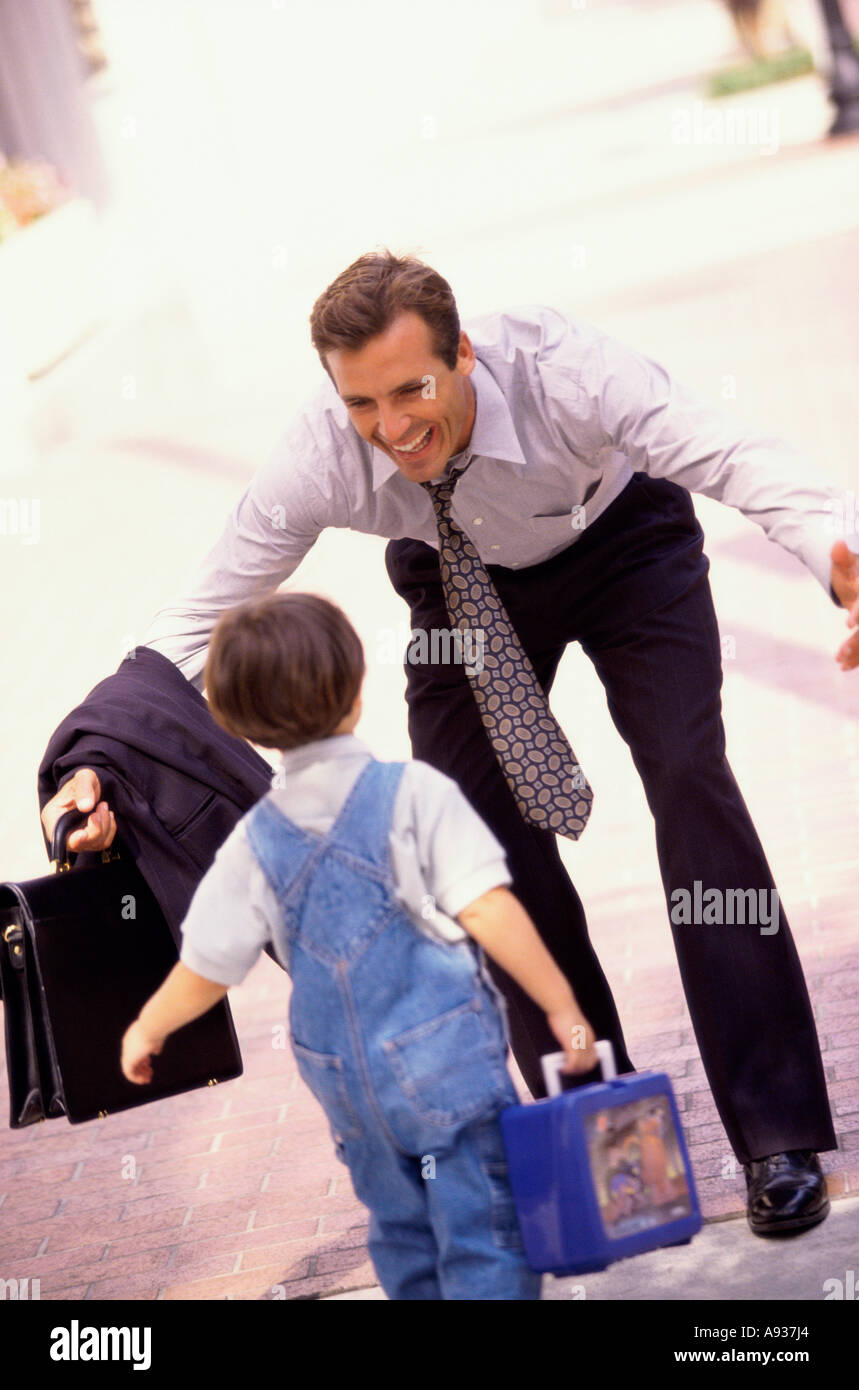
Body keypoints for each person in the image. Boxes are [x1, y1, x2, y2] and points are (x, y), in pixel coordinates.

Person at [45, 250, 859, 1236]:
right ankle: (609, 1149)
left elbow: (729, 451)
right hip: (459, 584)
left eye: (411, 390)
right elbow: (199, 611)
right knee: (479, 845)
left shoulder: (565, 368)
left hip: (626, 544)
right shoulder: (321, 453)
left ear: (463, 352)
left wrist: (832, 554)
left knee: (689, 780)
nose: (391, 430)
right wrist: (98, 757)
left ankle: (775, 1133)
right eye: (361, 405)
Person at [120, 592, 598, 1301]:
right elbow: (489, 908)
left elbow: (207, 966)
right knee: (483, 1230)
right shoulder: (413, 793)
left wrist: (147, 1026)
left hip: (347, 1085)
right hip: (445, 1063)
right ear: (353, 690)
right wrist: (563, 1008)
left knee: (402, 1234)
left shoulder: (252, 842)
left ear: (229, 718)